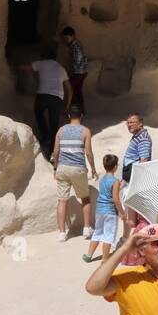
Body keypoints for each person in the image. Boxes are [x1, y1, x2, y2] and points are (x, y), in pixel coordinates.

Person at [52, 104, 97, 243]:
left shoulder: (61, 130)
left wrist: (55, 167)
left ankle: (61, 233)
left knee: (62, 201)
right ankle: (86, 228)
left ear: (69, 115)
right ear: (81, 116)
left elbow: (56, 151)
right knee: (85, 198)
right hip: (78, 168)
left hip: (63, 168)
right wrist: (93, 168)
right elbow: (88, 152)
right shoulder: (85, 131)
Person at [20, 52, 71, 160]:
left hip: (43, 95)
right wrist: (67, 106)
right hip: (57, 98)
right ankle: (52, 153)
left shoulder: (41, 63)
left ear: (44, 56)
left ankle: (45, 136)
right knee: (54, 126)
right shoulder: (61, 68)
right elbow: (70, 90)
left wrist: (14, 66)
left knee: (38, 112)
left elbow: (26, 67)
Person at [83, 154, 123, 263]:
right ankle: (105, 259)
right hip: (110, 211)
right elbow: (115, 199)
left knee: (98, 232)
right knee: (108, 235)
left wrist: (119, 185)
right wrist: (122, 212)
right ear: (115, 167)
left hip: (99, 210)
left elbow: (106, 192)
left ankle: (88, 255)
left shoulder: (102, 179)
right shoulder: (115, 181)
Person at [121, 113, 152, 234]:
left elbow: (143, 160)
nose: (129, 125)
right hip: (131, 179)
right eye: (128, 123)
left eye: (132, 122)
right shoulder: (138, 136)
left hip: (135, 180)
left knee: (131, 215)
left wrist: (136, 182)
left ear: (141, 123)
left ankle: (129, 239)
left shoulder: (143, 138)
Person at [59, 25, 88, 114]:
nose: (66, 40)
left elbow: (77, 61)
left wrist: (70, 73)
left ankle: (72, 112)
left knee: (71, 91)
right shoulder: (74, 45)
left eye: (67, 38)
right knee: (77, 92)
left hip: (78, 73)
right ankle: (80, 112)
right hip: (81, 72)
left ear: (73, 36)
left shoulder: (76, 46)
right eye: (64, 38)